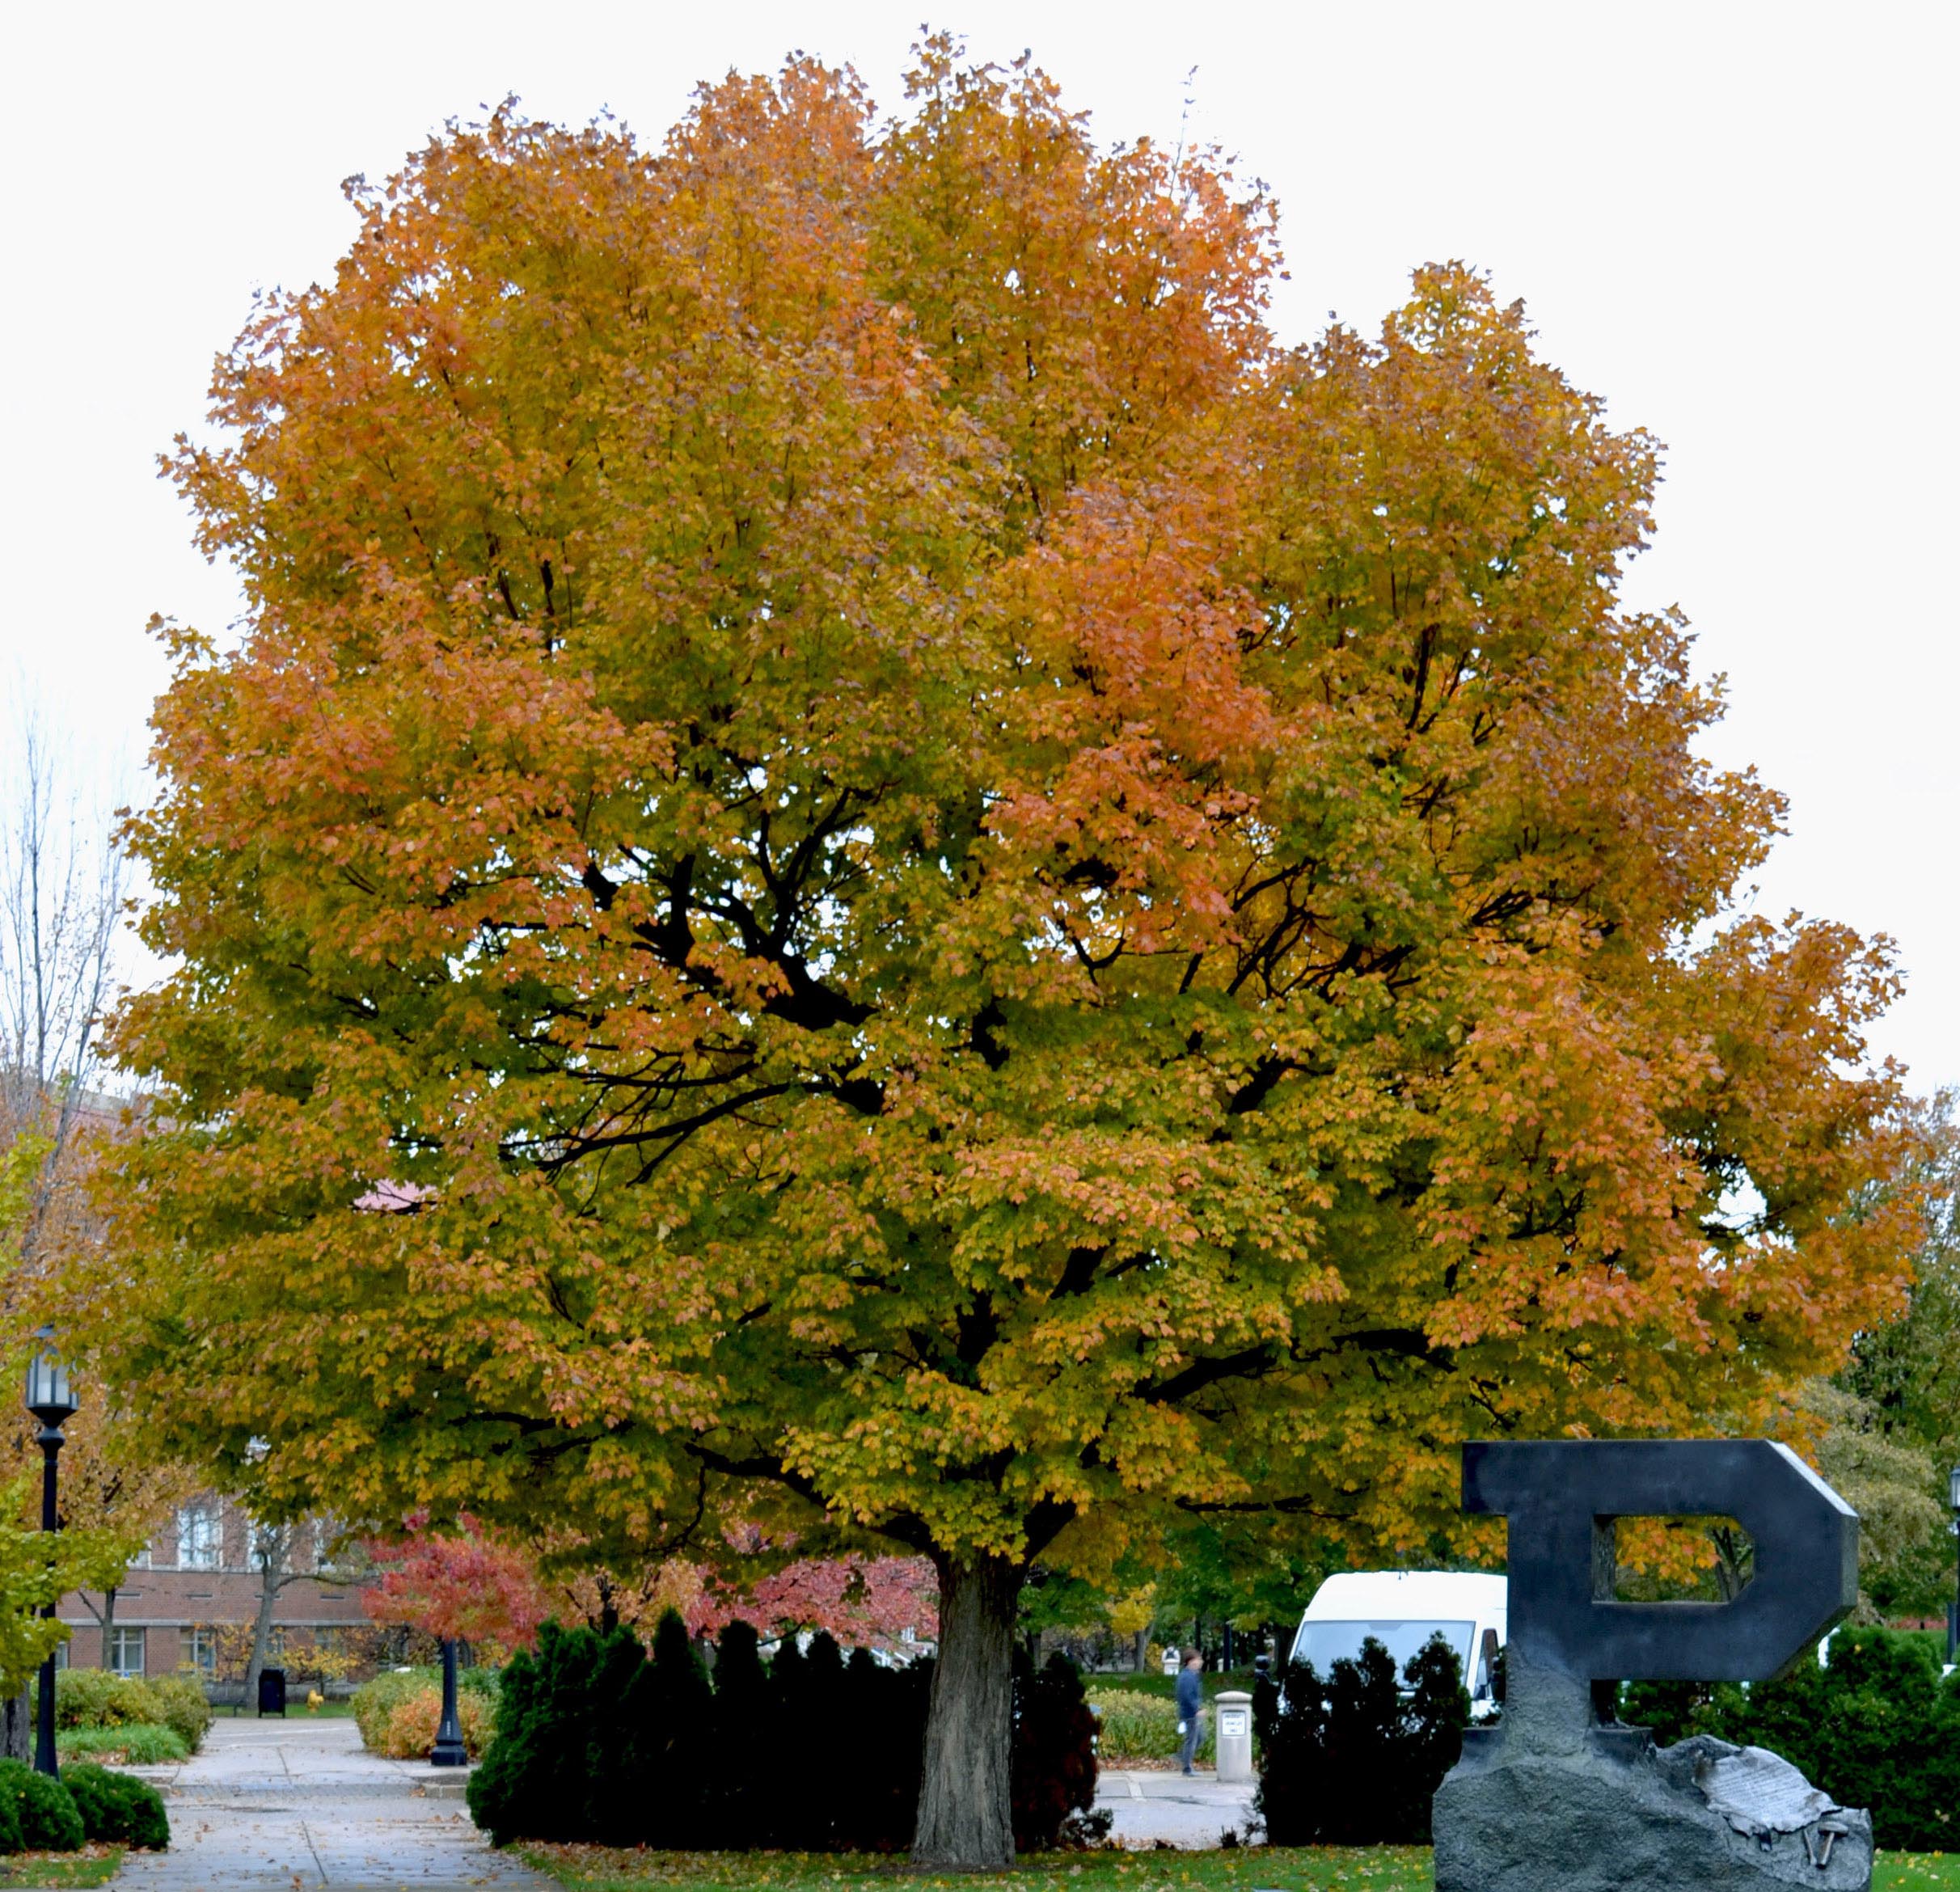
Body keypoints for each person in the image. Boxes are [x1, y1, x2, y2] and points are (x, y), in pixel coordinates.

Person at [1176, 1649, 1205, 1775]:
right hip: (1190, 1714)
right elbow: (1187, 1696)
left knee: (1199, 1738)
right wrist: (1197, 1709)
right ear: (1190, 1661)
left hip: (1191, 1713)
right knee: (1192, 1740)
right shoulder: (1187, 1677)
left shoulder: (1191, 1675)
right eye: (1198, 1659)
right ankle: (1186, 1767)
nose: (1200, 1662)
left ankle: (1182, 1757)